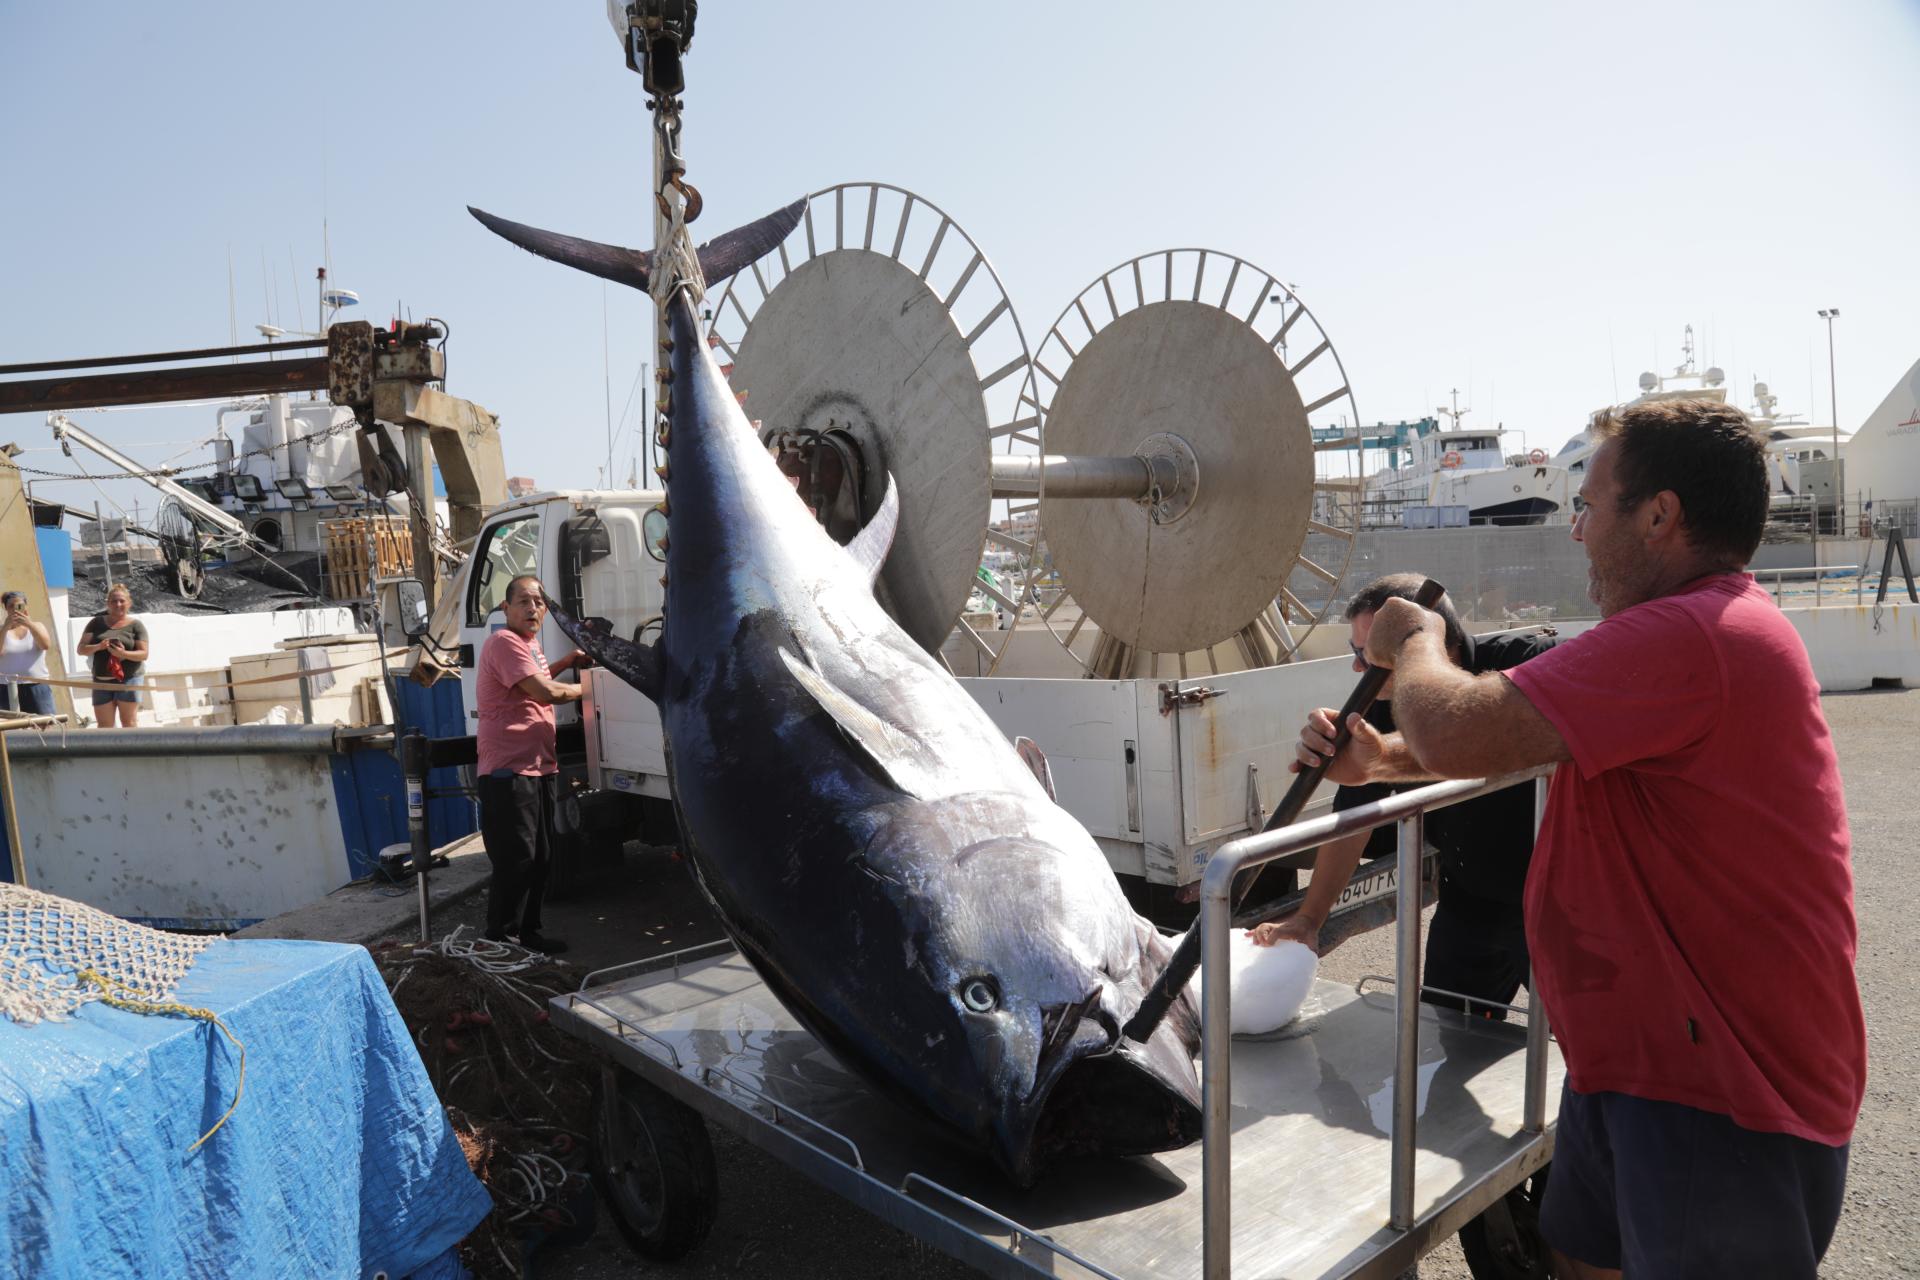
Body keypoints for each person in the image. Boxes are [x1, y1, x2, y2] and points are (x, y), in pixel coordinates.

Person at [1354, 398, 1864, 1279]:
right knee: (1578, 1253)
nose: (1578, 532)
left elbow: (1462, 729)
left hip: (1719, 1098)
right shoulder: (1690, 633)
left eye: (1588, 507)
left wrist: (1414, 642)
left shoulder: (1695, 634)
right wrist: (1379, 761)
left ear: (1659, 515)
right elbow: (1514, 739)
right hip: (1637, 1064)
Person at [1250, 574, 1555, 1025]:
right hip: (1469, 902)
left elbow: (1496, 734)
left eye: (1370, 655)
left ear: (1430, 640)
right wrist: (1309, 919)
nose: (1360, 669)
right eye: (1358, 653)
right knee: (1446, 1034)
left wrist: (1383, 757)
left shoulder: (1525, 662)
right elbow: (1355, 814)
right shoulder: (1385, 703)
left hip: (1554, 903)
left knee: (1591, 1049)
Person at [475, 574, 592, 954]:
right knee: (518, 859)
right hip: (509, 772)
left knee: (541, 857)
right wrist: (593, 688)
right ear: (505, 608)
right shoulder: (504, 642)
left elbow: (539, 678)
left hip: (538, 766)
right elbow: (544, 691)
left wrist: (567, 661)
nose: (533, 608)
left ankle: (527, 933)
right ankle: (500, 939)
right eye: (524, 601)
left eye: (539, 602)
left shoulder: (528, 644)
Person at [77, 583, 148, 728]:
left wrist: (123, 653)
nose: (118, 604)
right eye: (114, 601)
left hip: (129, 679)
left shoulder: (136, 625)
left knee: (129, 723)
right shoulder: (96, 623)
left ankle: (131, 751)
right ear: (108, 603)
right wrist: (99, 646)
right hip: (101, 681)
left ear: (129, 603)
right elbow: (81, 649)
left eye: (122, 601)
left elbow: (144, 654)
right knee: (104, 725)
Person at [0, 591, 55, 717]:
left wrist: (29, 624)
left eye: (19, 606)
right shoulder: (1, 629)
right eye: (11, 607)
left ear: (26, 606)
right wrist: (6, 627)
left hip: (36, 685)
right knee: (10, 730)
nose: (15, 610)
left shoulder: (37, 626)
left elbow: (45, 645)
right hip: (6, 687)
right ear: (6, 609)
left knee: (44, 724)